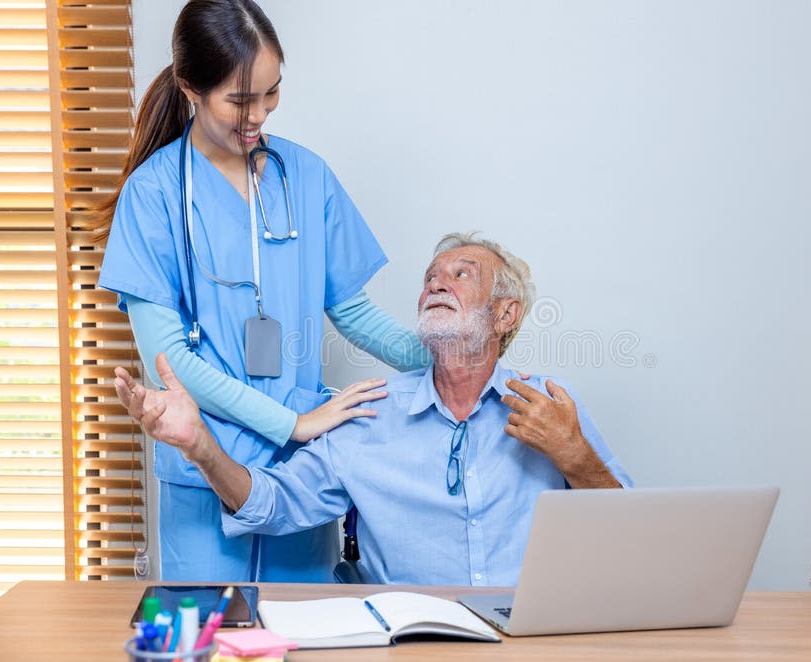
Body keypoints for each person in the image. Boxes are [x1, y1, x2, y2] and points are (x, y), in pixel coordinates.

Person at [94, 0, 429, 582]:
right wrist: (291, 423)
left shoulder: (306, 176)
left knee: (304, 635)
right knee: (210, 637)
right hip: (205, 464)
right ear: (189, 88)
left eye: (271, 94)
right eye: (240, 100)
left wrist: (449, 355)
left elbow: (350, 308)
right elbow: (168, 361)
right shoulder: (151, 196)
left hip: (301, 471)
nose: (259, 115)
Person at [117, 233, 633, 585]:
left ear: (505, 313)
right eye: (430, 277)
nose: (436, 283)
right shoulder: (371, 413)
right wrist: (202, 447)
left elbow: (632, 535)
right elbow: (273, 504)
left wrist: (573, 453)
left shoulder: (551, 406)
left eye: (461, 274)